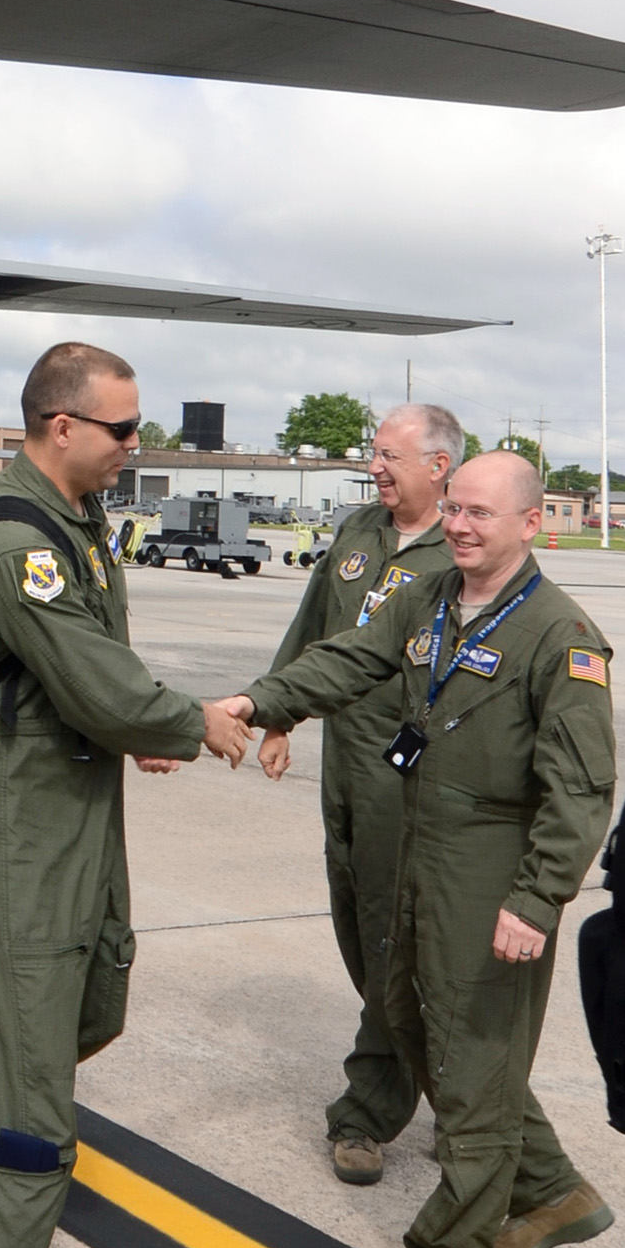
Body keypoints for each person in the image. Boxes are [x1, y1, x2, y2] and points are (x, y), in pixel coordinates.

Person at [228, 448, 616, 1248]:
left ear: (532, 523)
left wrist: (537, 899)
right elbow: (349, 662)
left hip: (491, 869)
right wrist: (261, 704)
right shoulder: (430, 600)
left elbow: (582, 791)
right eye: (457, 510)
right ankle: (552, 1190)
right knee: (403, 1016)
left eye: (484, 513)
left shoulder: (561, 637)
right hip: (417, 851)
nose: (462, 526)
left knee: (472, 1062)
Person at [0, 342, 246, 1248]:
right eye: (122, 429)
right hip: (19, 822)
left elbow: (83, 677)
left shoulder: (76, 527)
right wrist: (176, 719)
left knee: (91, 990)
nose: (134, 446)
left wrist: (127, 722)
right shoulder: (21, 543)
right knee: (31, 1070)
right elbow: (92, 679)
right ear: (61, 426)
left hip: (69, 806)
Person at [259, 404, 462, 1184]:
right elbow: (311, 629)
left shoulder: (462, 547)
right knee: (356, 923)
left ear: (437, 466)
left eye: (389, 456)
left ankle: (370, 1108)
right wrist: (279, 714)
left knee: (390, 939)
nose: (374, 468)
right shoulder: (358, 533)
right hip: (345, 765)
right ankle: (454, 1093)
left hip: (409, 776)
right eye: (373, 455)